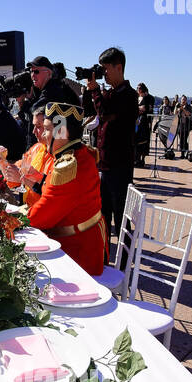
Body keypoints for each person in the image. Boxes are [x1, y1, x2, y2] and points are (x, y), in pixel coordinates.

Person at [26, 103, 108, 276]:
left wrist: (16, 218)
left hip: (78, 253)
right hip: (78, 242)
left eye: (47, 129)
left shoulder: (69, 165)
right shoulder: (77, 154)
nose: (44, 135)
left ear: (61, 132)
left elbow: (41, 217)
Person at [84, 47, 137, 253]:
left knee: (121, 215)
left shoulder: (128, 95)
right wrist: (91, 90)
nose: (104, 74)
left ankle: (124, 262)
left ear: (119, 67)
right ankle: (103, 257)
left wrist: (96, 91)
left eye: (106, 69)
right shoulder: (111, 93)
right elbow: (92, 112)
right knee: (103, 214)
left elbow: (105, 112)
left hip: (119, 165)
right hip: (105, 164)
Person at [135, 83, 154, 166]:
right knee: (137, 141)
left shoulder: (148, 98)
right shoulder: (137, 98)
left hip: (144, 122)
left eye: (139, 88)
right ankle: (137, 159)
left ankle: (142, 159)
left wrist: (139, 108)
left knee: (143, 141)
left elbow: (145, 108)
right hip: (137, 121)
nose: (138, 90)